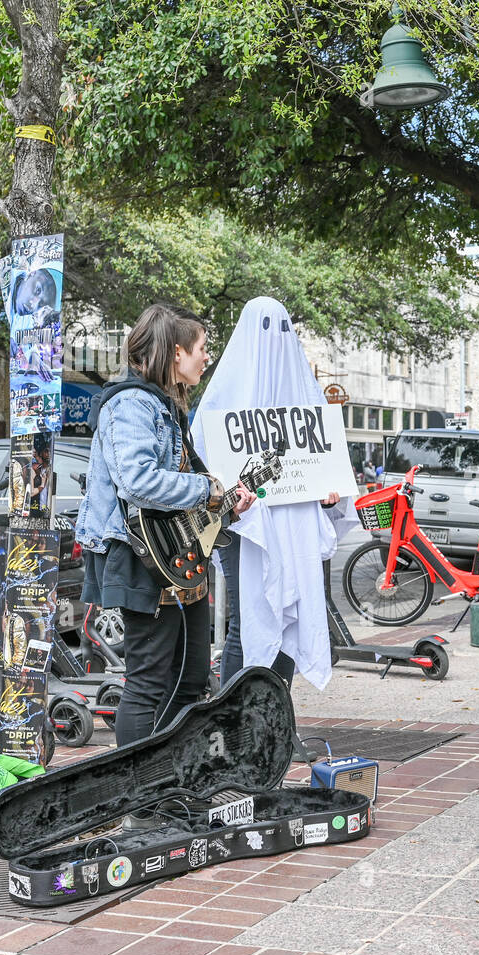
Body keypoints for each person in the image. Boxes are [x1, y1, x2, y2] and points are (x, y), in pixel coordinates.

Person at [75, 304, 253, 746]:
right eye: (201, 348)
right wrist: (205, 490)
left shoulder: (167, 407)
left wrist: (228, 503)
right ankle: (136, 795)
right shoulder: (132, 404)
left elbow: (183, 493)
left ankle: (165, 773)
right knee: (149, 683)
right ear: (175, 353)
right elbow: (138, 483)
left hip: (175, 559)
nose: (206, 357)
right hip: (142, 560)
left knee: (190, 679)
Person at [191, 296, 352, 691]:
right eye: (264, 328)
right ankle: (231, 718)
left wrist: (328, 494)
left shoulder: (307, 395)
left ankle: (275, 713)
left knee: (290, 610)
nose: (273, 341)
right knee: (247, 618)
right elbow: (200, 465)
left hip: (296, 522)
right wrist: (225, 493)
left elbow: (327, 466)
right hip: (243, 527)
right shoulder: (219, 399)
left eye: (281, 328)